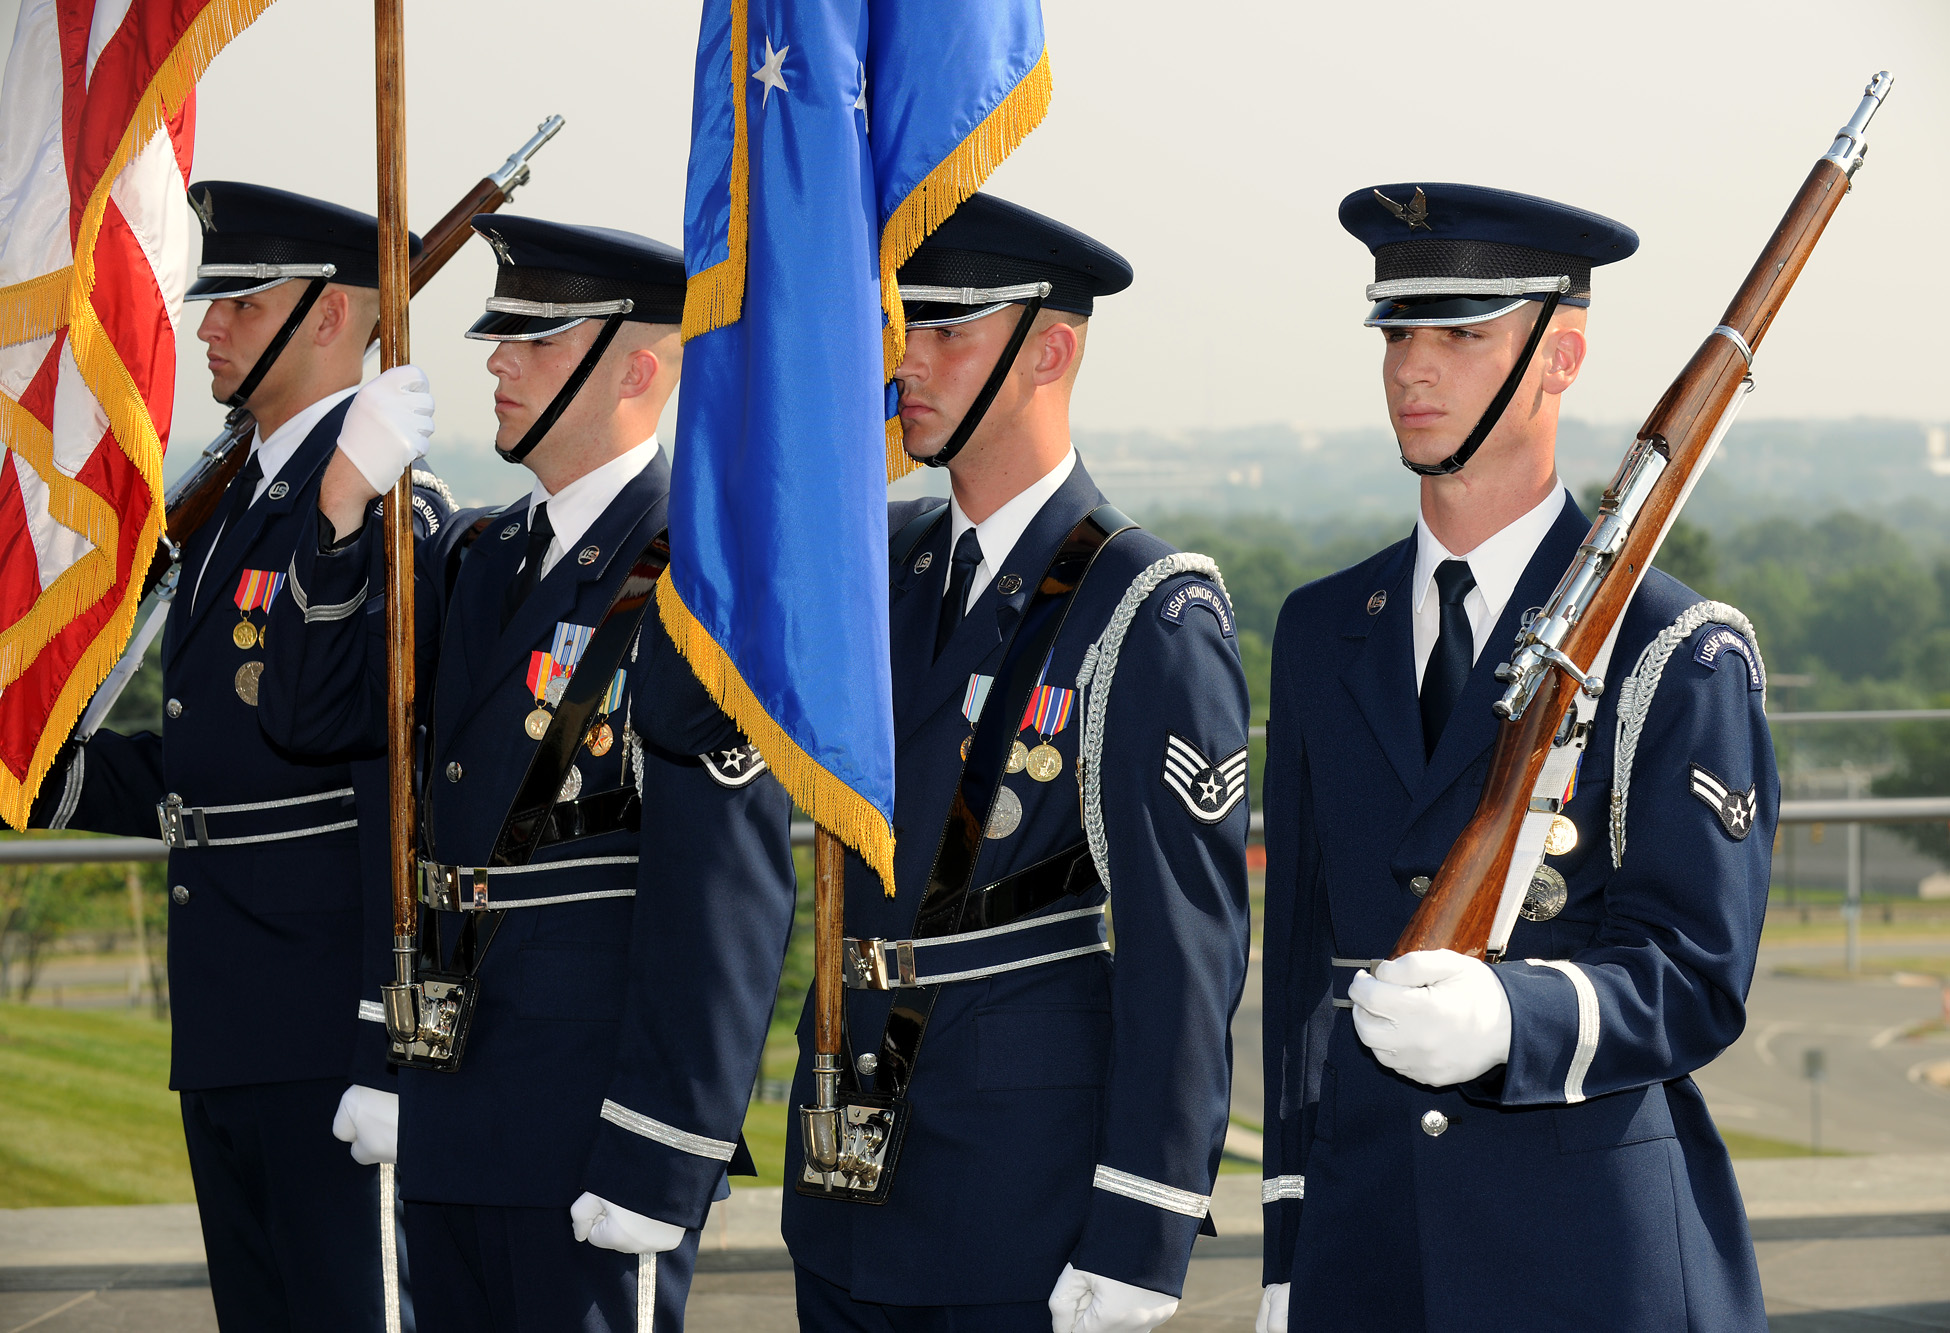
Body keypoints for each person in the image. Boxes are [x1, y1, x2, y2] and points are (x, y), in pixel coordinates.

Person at [256, 214, 797, 1333]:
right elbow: (323, 727)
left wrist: (663, 1149)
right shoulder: (482, 555)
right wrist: (342, 509)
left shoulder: (703, 575)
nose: (495, 359)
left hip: (590, 1129)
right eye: (502, 335)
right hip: (454, 1107)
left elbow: (725, 900)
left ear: (637, 369)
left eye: (536, 340)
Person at [1256, 183, 1779, 1332]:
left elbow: (1697, 974)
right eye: (1396, 332)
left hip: (1582, 1254)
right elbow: (1298, 975)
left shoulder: (1670, 649)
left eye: (1461, 333)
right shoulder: (1321, 628)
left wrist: (1514, 1019)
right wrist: (1290, 1249)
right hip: (1369, 1247)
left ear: (1563, 357)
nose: (1410, 368)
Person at [779, 193, 1252, 1332]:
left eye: (950, 331)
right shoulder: (872, 564)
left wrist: (1144, 1222)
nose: (912, 363)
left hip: (1014, 1195)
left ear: (1050, 348)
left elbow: (1183, 952)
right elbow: (704, 720)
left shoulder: (1144, 607)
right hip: (843, 1171)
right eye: (907, 330)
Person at [31, 182, 445, 1331]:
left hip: (325, 1032)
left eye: (238, 304)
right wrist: (40, 767)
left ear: (327, 318)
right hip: (228, 1020)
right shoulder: (224, 513)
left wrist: (383, 1035)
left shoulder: (377, 517)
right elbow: (206, 774)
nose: (205, 326)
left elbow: (389, 796)